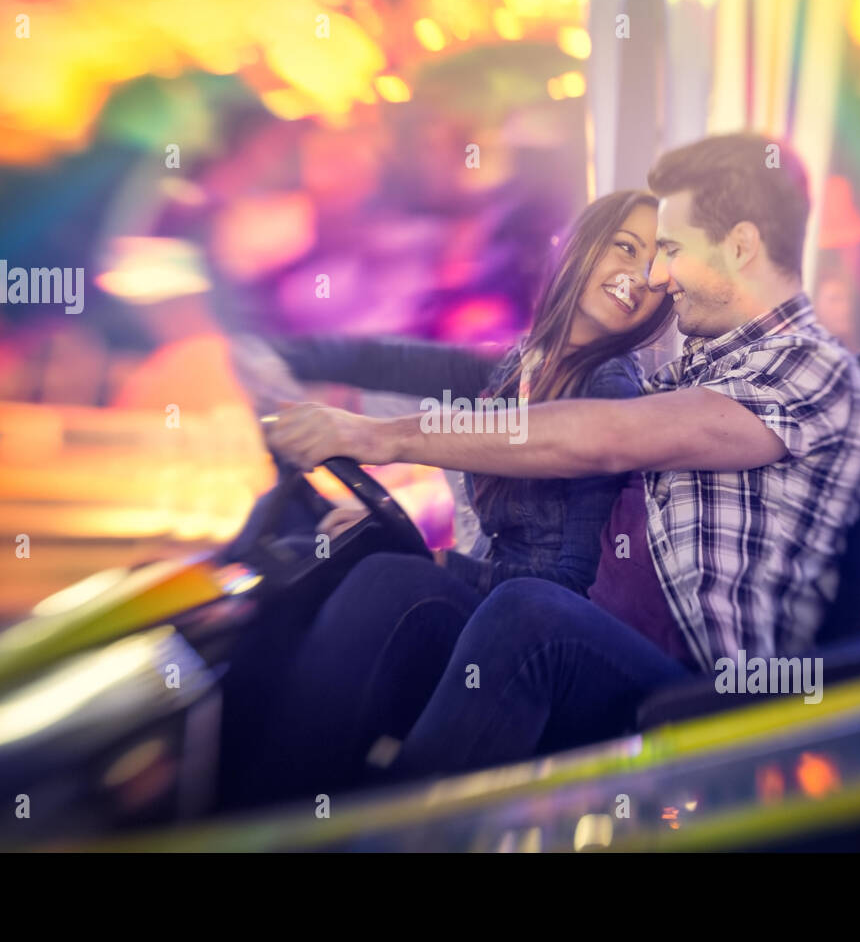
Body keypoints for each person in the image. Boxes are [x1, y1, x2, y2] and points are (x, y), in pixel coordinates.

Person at [265, 132, 860, 782]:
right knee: (393, 580)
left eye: (671, 250)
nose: (657, 277)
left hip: (710, 702)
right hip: (615, 646)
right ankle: (271, 807)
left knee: (529, 612)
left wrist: (380, 437)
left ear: (740, 247)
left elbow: (605, 436)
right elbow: (452, 373)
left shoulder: (808, 368)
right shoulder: (703, 363)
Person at [218, 190, 674, 807]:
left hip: (546, 641)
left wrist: (438, 564)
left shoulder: (609, 385)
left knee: (390, 582)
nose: (636, 277)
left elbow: (566, 588)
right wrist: (274, 357)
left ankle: (277, 812)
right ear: (583, 246)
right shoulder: (519, 365)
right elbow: (385, 359)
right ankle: (228, 779)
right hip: (495, 611)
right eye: (624, 247)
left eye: (653, 268)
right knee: (305, 547)